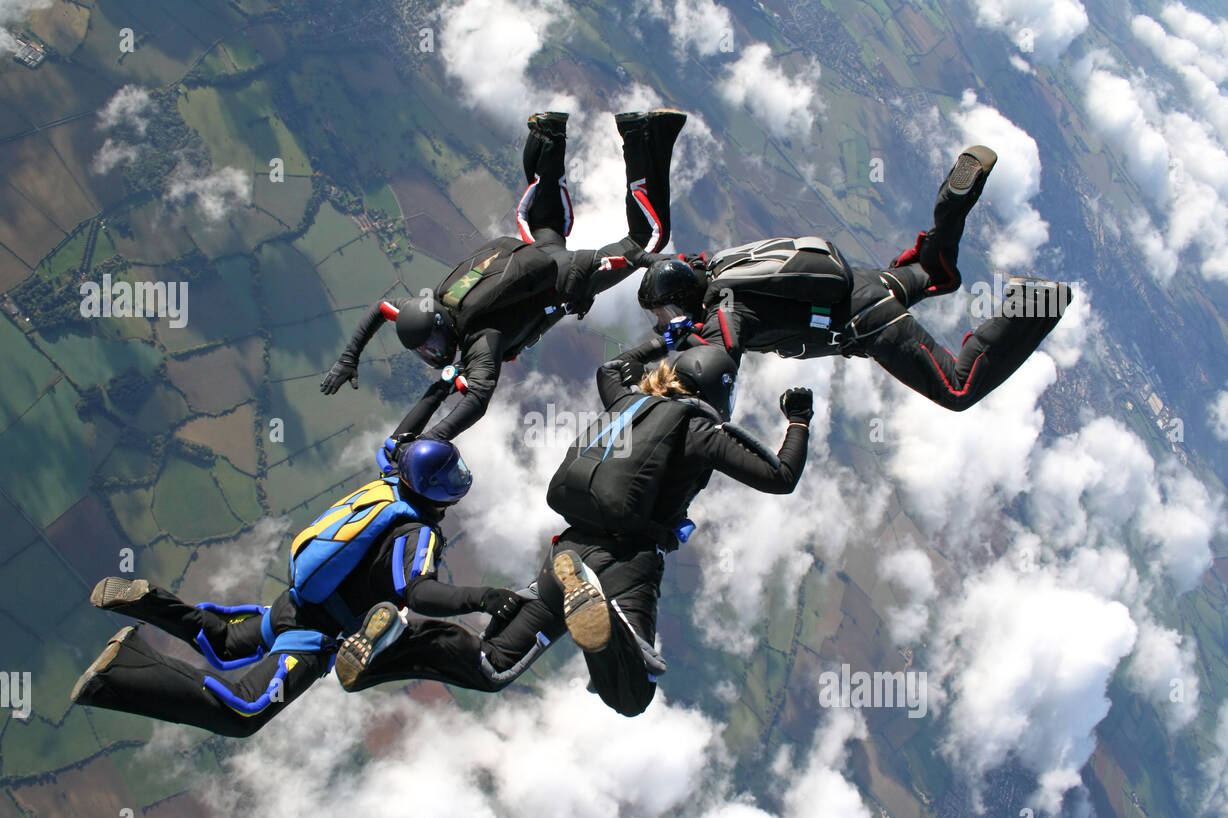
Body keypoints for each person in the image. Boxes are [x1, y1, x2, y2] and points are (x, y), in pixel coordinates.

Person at [68, 381, 526, 736]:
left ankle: (145, 602)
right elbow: (420, 592)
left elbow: (402, 435)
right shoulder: (418, 532)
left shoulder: (392, 479)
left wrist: (439, 389)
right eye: (454, 474)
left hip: (290, 606)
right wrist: (483, 598)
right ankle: (119, 673)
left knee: (224, 644)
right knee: (242, 710)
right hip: (315, 635)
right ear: (441, 490)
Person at [320, 109, 686, 442]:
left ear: (438, 325)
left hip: (571, 276)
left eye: (430, 345)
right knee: (546, 222)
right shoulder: (429, 305)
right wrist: (348, 357)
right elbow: (382, 308)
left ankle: (646, 135)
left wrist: (433, 438)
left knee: (647, 241)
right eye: (425, 351)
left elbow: (477, 402)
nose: (431, 354)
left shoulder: (483, 339)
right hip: (537, 255)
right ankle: (546, 134)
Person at [637, 146, 1074, 411]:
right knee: (933, 273)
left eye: (663, 311)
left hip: (869, 321)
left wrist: (673, 372)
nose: (662, 322)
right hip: (867, 284)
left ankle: (1034, 304)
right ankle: (955, 197)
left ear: (683, 297)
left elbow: (720, 362)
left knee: (958, 388)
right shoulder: (718, 269)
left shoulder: (722, 313)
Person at [525, 340, 813, 717]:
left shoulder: (627, 401)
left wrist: (665, 340)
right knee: (634, 696)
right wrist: (799, 419)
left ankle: (583, 606)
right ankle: (602, 620)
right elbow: (781, 476)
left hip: (569, 543)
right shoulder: (699, 431)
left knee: (498, 663)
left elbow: (610, 369)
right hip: (630, 560)